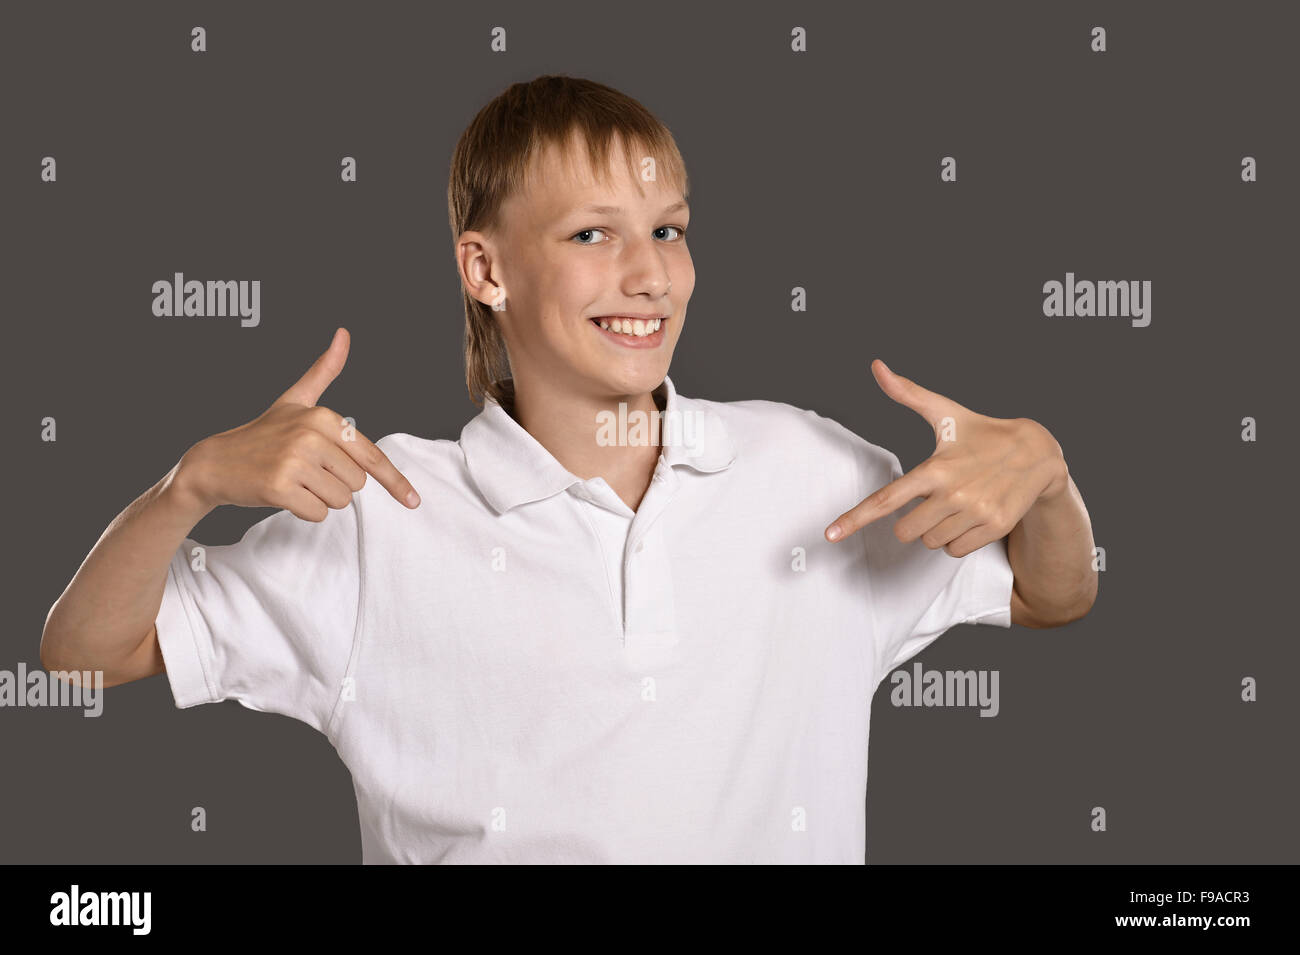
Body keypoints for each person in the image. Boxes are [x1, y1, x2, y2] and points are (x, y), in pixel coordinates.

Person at [40, 74, 1097, 863]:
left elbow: (1050, 595)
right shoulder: (381, 512)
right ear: (485, 268)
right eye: (593, 232)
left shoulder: (808, 467)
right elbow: (86, 657)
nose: (649, 275)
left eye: (668, 230)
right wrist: (188, 489)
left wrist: (1045, 473)